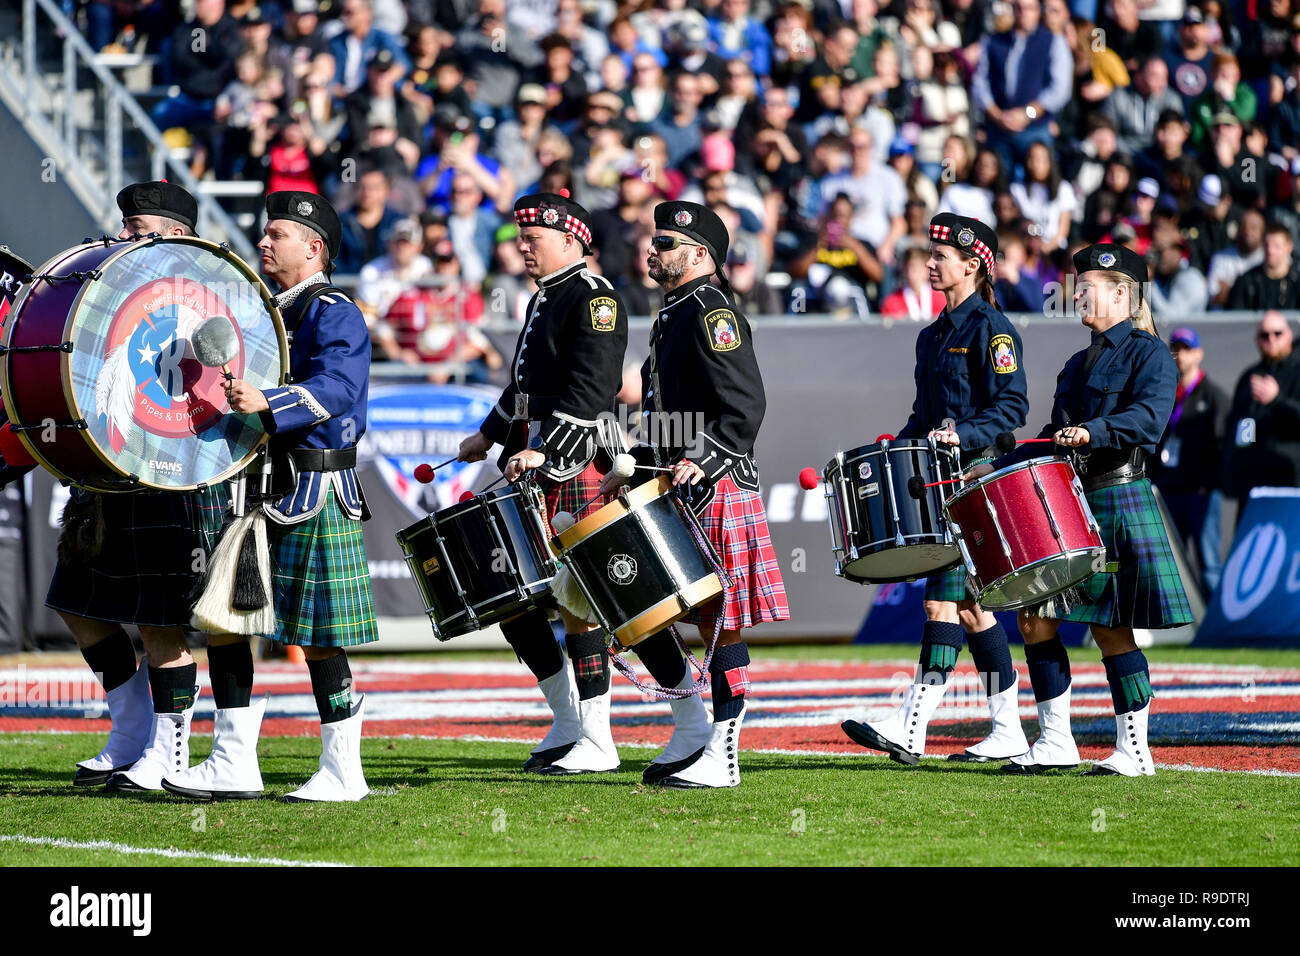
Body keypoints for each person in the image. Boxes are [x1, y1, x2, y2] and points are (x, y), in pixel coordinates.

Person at [167, 191, 379, 802]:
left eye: (276, 234)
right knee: (227, 621)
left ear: (313, 248)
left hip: (314, 485)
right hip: (255, 488)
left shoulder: (333, 309)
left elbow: (340, 386)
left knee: (316, 635)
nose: (263, 242)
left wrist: (269, 401)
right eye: (264, 233)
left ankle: (344, 770)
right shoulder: (262, 310)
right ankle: (233, 760)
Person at [984, 243, 1193, 776]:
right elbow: (1056, 435)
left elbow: (1148, 421)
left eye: (1088, 286)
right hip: (1068, 505)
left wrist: (1092, 432)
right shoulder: (1076, 364)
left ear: (1122, 292)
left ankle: (1135, 751)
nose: (1077, 293)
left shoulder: (1151, 355)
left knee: (1111, 627)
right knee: (1034, 619)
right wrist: (1005, 458)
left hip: (1118, 496)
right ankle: (1056, 741)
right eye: (1076, 285)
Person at [599, 201, 789, 788]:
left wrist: (700, 458)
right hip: (678, 484)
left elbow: (746, 405)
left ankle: (723, 757)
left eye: (665, 244)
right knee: (679, 613)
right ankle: (701, 740)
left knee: (721, 623)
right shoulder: (673, 312)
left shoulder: (710, 310)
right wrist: (634, 467)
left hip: (716, 483)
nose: (652, 252)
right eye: (652, 242)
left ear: (700, 254)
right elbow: (670, 414)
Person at [54, 182, 227, 793]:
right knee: (78, 605)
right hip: (108, 465)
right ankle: (130, 730)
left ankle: (169, 754)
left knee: (159, 624)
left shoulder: (211, 291)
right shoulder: (106, 288)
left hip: (171, 474)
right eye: (124, 225)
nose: (124, 236)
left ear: (178, 234)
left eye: (139, 227)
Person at [842, 213, 1031, 765]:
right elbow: (924, 415)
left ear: (974, 265)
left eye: (941, 256)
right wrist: (891, 452)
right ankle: (1008, 731)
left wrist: (962, 433)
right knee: (972, 610)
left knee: (940, 604)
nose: (929, 262)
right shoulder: (930, 336)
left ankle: (913, 725)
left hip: (977, 478)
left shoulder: (993, 330)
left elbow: (1013, 407)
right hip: (938, 478)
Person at [456, 191, 629, 775]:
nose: (523, 247)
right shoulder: (546, 298)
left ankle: (600, 740)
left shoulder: (594, 297)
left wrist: (542, 449)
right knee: (505, 590)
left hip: (573, 463)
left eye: (534, 239)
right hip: (531, 462)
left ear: (573, 240)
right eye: (521, 239)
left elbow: (592, 388)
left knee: (579, 605)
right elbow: (525, 386)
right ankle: (568, 718)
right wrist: (491, 432)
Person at [1148, 327, 1227, 596]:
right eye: (1175, 349)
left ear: (1198, 353)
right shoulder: (1165, 394)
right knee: (1173, 561)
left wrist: (1210, 483)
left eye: (1186, 349)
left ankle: (1214, 629)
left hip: (1200, 493)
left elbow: (1222, 446)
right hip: (1170, 490)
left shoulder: (1213, 396)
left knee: (1209, 562)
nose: (1179, 355)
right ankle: (1180, 622)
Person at [1220, 312, 1300, 509]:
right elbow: (1238, 425)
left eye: (1277, 333)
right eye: (1265, 335)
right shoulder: (1249, 376)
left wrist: (1277, 400)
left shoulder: (1297, 373)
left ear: (1289, 335)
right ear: (1257, 340)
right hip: (1252, 484)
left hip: (1289, 483)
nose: (1271, 339)